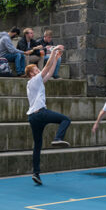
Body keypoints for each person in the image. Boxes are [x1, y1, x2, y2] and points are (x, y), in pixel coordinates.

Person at [25, 45, 71, 185]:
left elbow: (49, 73)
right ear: (32, 74)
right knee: (65, 119)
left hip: (33, 117)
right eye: (36, 70)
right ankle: (58, 138)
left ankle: (36, 173)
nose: (39, 71)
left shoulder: (36, 83)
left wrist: (56, 59)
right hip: (40, 113)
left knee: (37, 145)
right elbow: (46, 69)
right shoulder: (34, 80)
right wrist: (54, 51)